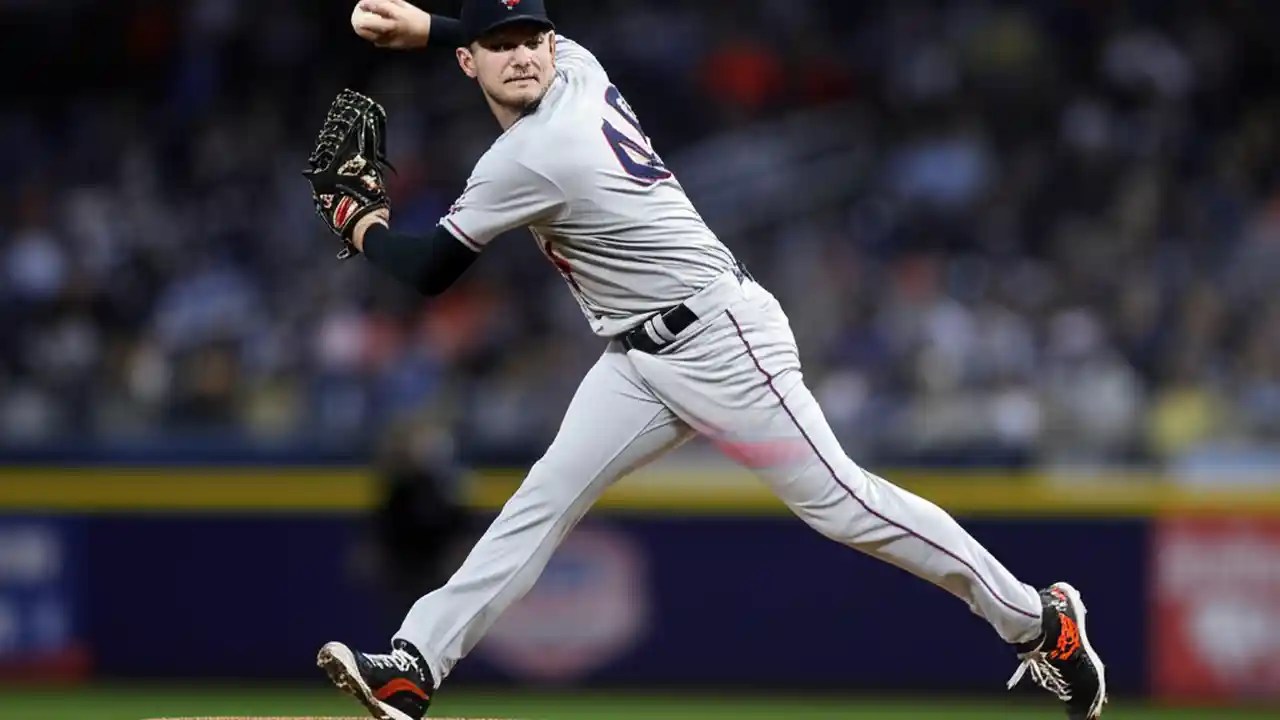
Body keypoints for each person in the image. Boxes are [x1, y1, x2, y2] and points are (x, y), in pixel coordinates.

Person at [313, 1, 1108, 718]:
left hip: (722, 341)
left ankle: (1040, 622)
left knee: (845, 506)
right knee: (541, 502)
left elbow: (425, 272)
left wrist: (358, 222)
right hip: (636, 359)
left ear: (553, 48)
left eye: (533, 42)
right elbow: (500, 42)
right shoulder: (580, 69)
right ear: (469, 59)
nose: (522, 56)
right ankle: (416, 664)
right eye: (499, 44)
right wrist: (429, 29)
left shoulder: (532, 153)